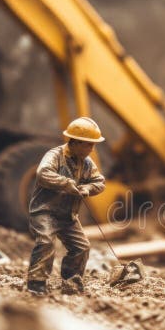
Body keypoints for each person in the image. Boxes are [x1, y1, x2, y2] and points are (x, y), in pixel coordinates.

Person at [26, 117, 106, 295]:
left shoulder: (86, 162)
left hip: (68, 215)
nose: (92, 149)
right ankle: (36, 282)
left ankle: (71, 281)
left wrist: (88, 188)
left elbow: (99, 182)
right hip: (45, 212)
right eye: (89, 144)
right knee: (46, 241)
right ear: (76, 142)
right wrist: (66, 183)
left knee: (82, 247)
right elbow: (43, 173)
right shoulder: (54, 155)